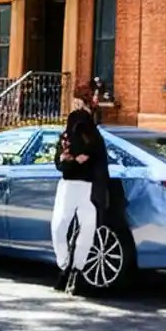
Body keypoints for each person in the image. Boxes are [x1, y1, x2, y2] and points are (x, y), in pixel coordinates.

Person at [51, 83, 110, 293]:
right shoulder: (69, 133)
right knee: (62, 226)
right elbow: (61, 162)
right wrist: (76, 160)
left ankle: (74, 270)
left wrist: (74, 160)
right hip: (71, 185)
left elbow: (96, 160)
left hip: (86, 186)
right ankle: (67, 266)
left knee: (83, 229)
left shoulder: (92, 134)